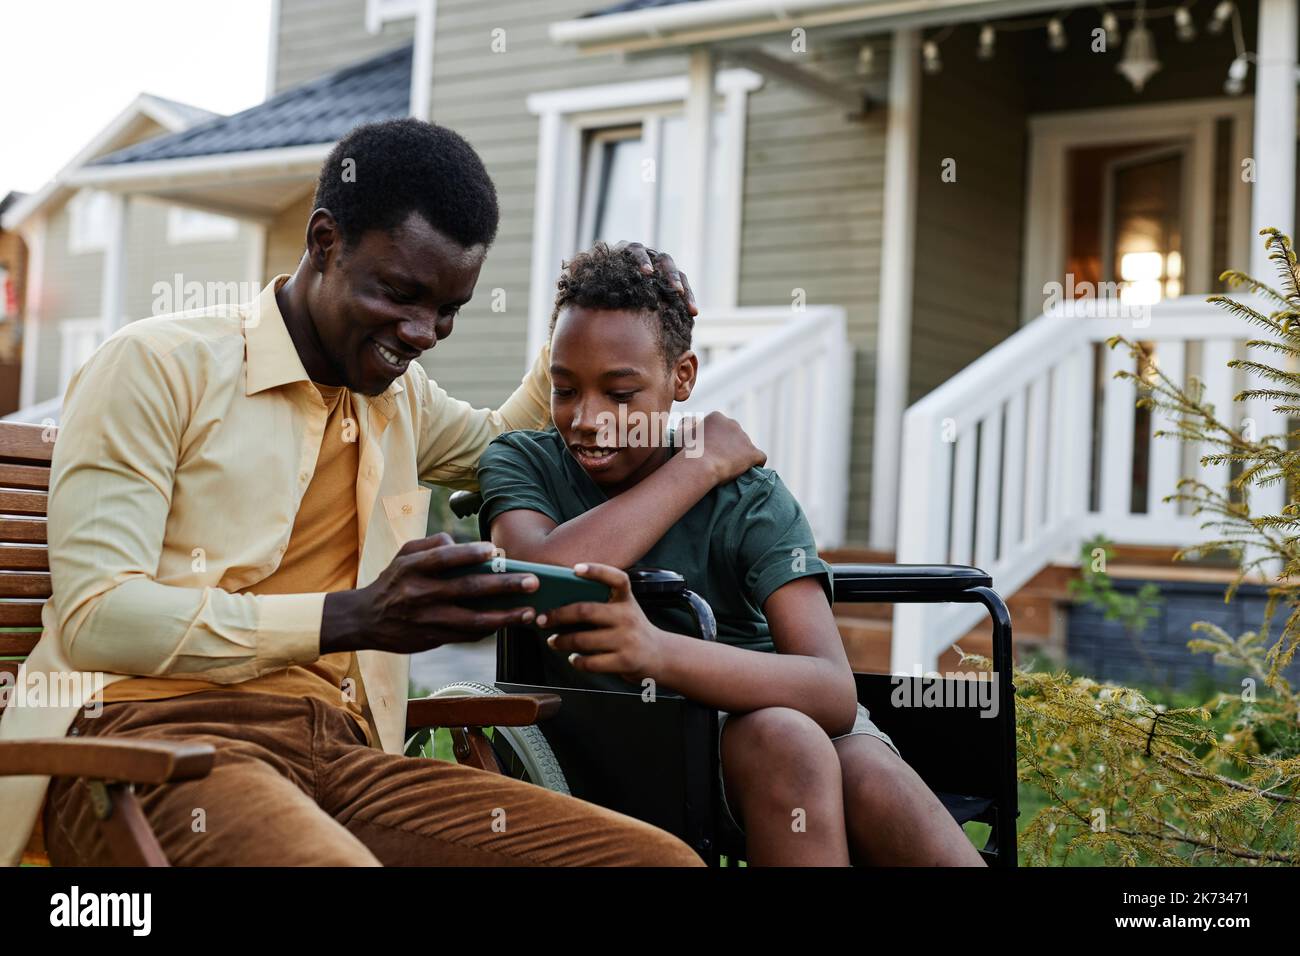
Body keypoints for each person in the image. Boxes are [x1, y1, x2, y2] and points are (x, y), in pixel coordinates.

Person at [0, 120, 764, 867]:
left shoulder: (398, 399)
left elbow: (503, 442)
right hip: (146, 742)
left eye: (449, 310)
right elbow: (100, 614)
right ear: (325, 242)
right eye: (401, 293)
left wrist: (591, 312)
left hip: (341, 754)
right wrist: (356, 616)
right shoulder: (158, 367)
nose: (424, 331)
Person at [477, 242, 986, 866]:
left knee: (856, 765)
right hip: (621, 740)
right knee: (789, 740)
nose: (586, 418)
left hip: (766, 706)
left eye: (620, 393)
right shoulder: (522, 462)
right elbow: (542, 573)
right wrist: (698, 464)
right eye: (563, 389)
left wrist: (658, 649)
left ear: (682, 378)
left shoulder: (749, 500)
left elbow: (831, 690)